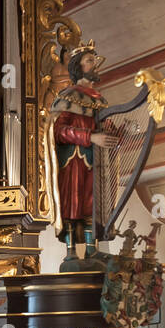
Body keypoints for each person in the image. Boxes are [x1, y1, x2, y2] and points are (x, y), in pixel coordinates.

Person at [51, 46, 115, 266]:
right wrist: (89, 137)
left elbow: (104, 128)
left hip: (95, 160)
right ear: (78, 67)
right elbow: (58, 131)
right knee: (73, 204)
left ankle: (91, 250)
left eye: (94, 60)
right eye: (89, 60)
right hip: (74, 158)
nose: (94, 64)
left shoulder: (100, 100)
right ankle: (71, 251)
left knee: (91, 204)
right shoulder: (69, 96)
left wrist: (117, 132)